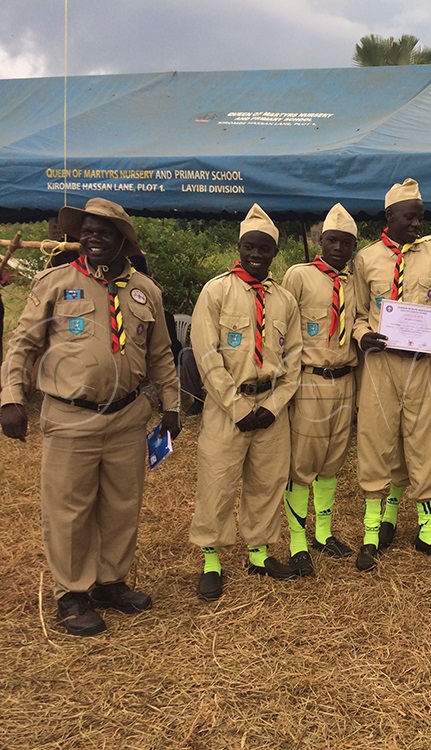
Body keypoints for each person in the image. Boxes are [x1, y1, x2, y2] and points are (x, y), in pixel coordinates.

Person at [0, 197, 180, 636]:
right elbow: (23, 342)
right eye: (87, 230)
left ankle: (110, 582)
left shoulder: (145, 291)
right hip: (70, 415)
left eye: (104, 231)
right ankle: (72, 594)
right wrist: (11, 397)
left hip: (127, 415)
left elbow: (159, 354)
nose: (93, 237)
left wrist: (172, 405)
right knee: (69, 508)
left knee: (121, 504)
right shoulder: (57, 282)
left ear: (123, 240)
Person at [188, 204, 303, 601]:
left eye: (265, 248)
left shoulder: (284, 300)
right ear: (239, 247)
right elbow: (206, 354)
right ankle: (211, 560)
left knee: (267, 483)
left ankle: (258, 553)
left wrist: (274, 405)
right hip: (227, 409)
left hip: (271, 408)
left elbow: (294, 359)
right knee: (218, 482)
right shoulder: (216, 291)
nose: (257, 254)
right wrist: (237, 408)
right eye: (250, 247)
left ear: (274, 253)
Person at [351, 178, 431, 572]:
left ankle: (427, 531)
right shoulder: (366, 259)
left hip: (425, 364)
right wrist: (364, 337)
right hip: (381, 365)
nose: (417, 224)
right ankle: (371, 531)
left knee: (426, 440)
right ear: (389, 216)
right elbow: (358, 315)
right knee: (376, 440)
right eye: (409, 218)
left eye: (420, 218)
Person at [280, 203, 359, 576]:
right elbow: (280, 324)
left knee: (332, 460)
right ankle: (297, 540)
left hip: (345, 380)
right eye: (332, 241)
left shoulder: (355, 282)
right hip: (310, 379)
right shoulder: (299, 276)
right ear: (320, 240)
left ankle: (323, 533)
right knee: (303, 463)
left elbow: (359, 323)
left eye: (346, 243)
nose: (339, 249)